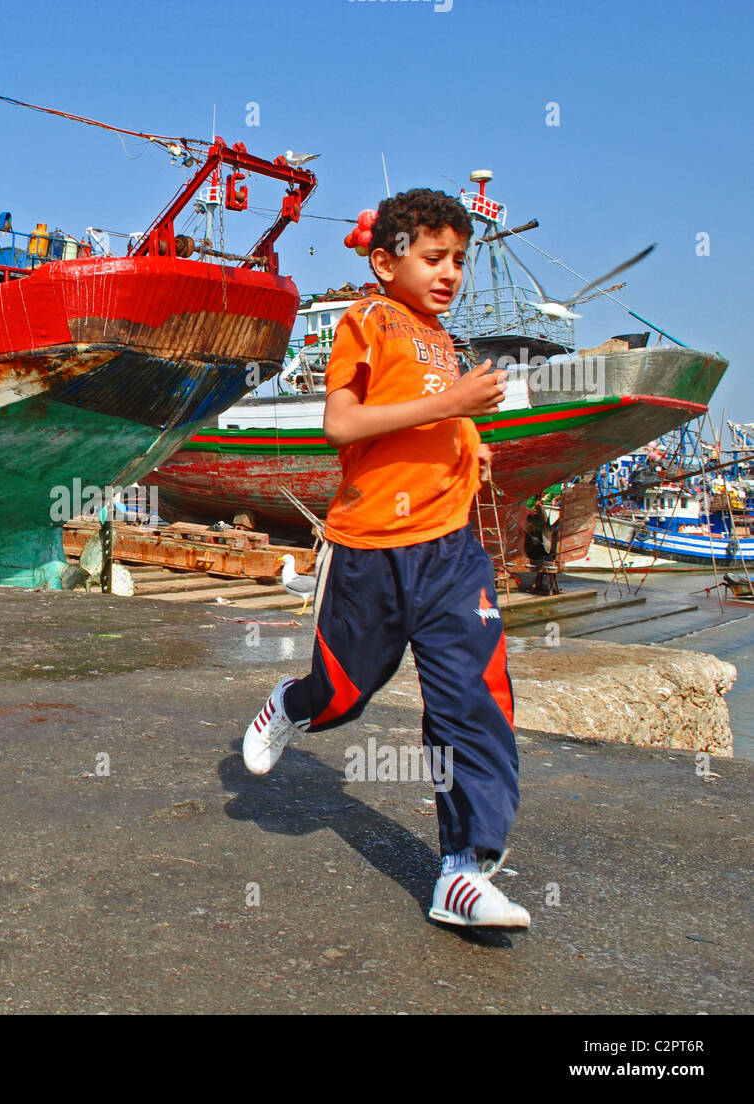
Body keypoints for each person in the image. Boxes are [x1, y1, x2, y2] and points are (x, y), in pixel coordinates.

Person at [241, 188, 530, 929]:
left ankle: (465, 867)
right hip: (373, 550)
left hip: (452, 552)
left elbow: (434, 422)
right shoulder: (367, 320)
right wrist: (454, 406)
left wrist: (471, 446)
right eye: (434, 257)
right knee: (343, 695)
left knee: (474, 697)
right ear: (384, 259)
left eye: (460, 260)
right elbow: (343, 423)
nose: (450, 273)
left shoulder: (444, 341)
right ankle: (292, 702)